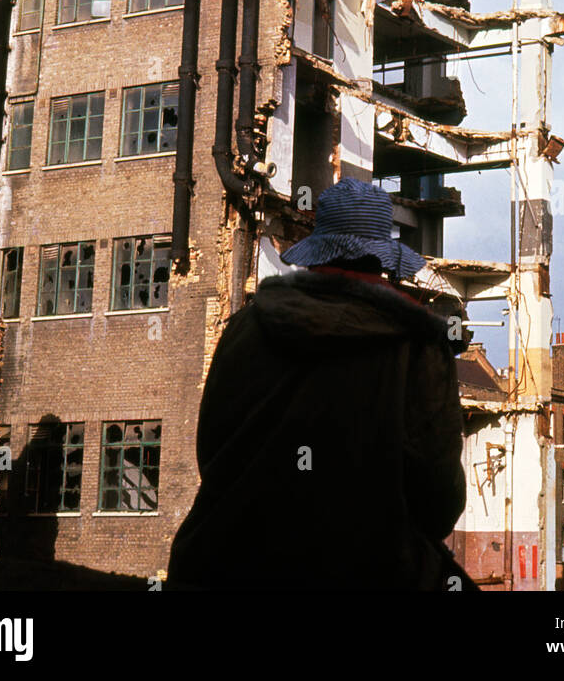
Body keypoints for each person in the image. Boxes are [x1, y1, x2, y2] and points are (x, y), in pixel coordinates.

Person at [165, 176, 470, 591]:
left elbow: (211, 454)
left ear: (317, 251)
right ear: (381, 258)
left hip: (221, 564)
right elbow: (438, 504)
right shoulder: (420, 345)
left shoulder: (245, 327)